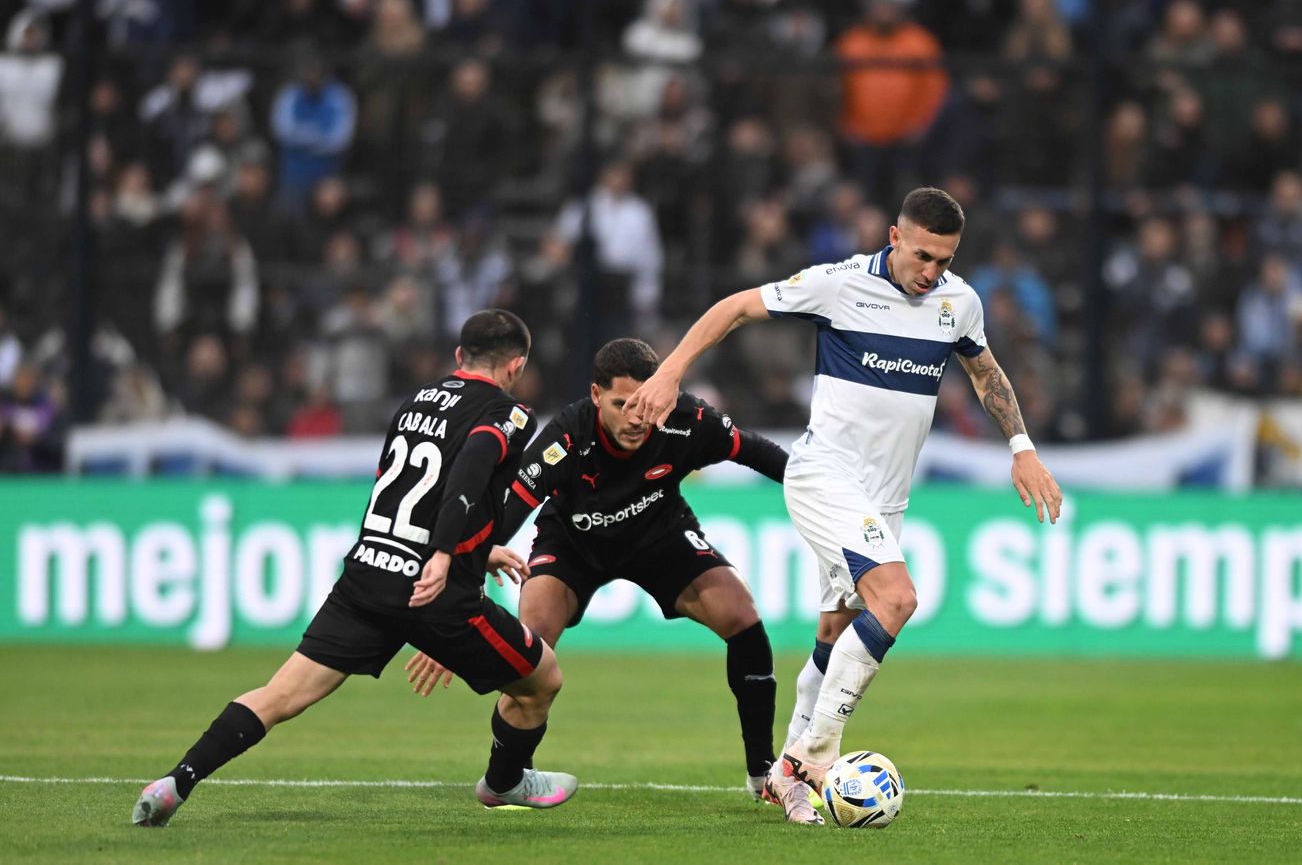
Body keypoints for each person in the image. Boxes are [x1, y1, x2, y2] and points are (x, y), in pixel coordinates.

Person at [625, 187, 1063, 824]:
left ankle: (784, 774)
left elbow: (986, 374)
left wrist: (1022, 447)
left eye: (944, 259)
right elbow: (736, 307)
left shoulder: (958, 302)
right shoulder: (839, 284)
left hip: (886, 499)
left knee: (835, 633)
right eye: (921, 256)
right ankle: (812, 755)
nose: (931, 272)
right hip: (825, 476)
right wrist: (668, 373)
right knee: (898, 599)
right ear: (893, 236)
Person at [132, 310, 578, 826]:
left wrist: (472, 546)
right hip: (434, 590)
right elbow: (471, 468)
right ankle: (505, 781)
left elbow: (411, 490)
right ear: (516, 366)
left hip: (368, 577)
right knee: (543, 678)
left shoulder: (413, 403)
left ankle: (174, 782)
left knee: (280, 694)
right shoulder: (511, 413)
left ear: (459, 356)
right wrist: (442, 553)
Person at [405, 338, 789, 800]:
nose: (636, 416)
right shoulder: (567, 436)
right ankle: (507, 779)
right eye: (621, 403)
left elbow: (756, 452)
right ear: (594, 395)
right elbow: (506, 513)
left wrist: (820, 499)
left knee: (742, 616)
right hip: (572, 545)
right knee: (528, 650)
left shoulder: (685, 421)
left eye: (645, 403)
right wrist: (457, 605)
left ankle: (763, 772)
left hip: (659, 537)